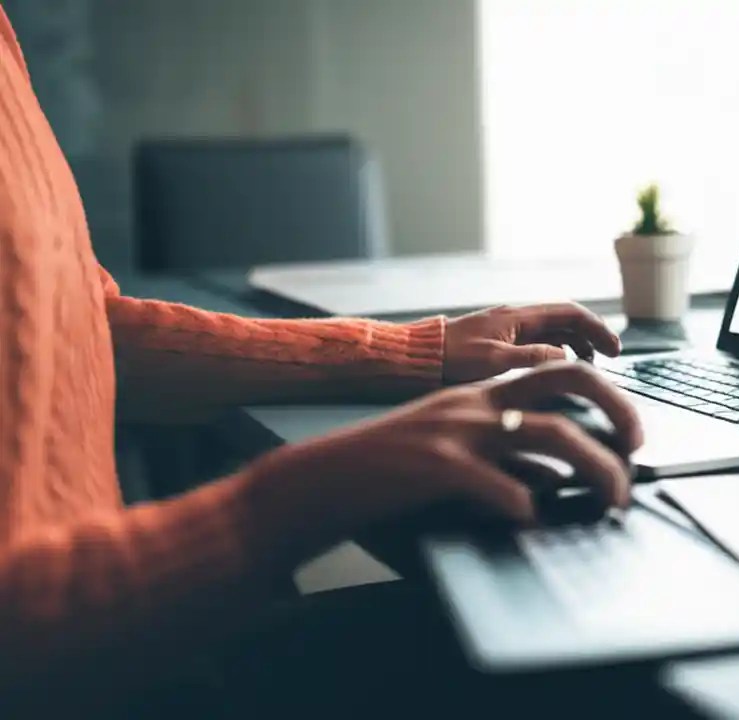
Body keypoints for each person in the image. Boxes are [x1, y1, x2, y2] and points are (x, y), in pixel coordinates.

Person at [0, 8, 641, 715]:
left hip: (120, 643)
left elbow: (88, 329)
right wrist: (291, 499)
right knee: (602, 667)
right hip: (100, 671)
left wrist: (410, 352)